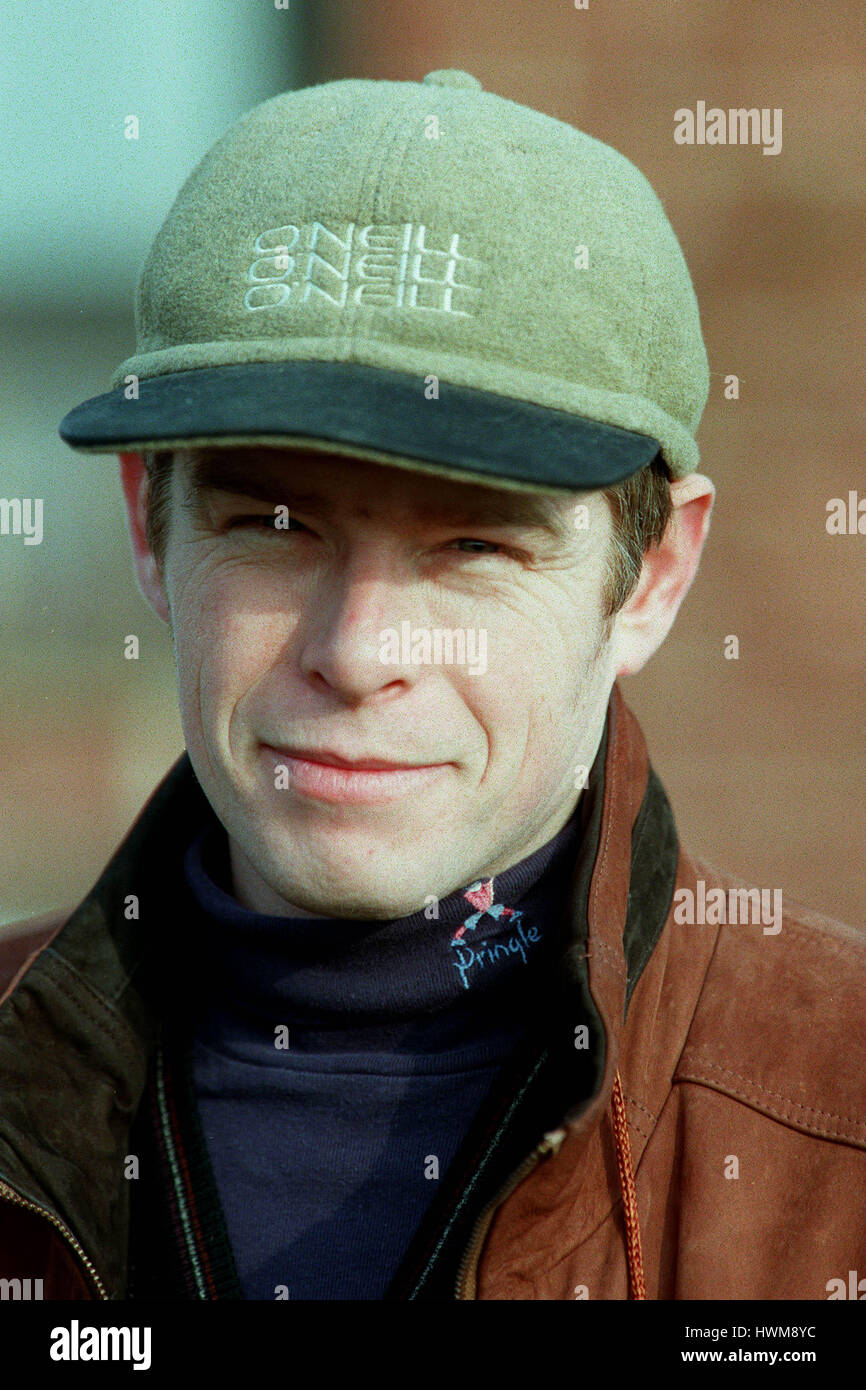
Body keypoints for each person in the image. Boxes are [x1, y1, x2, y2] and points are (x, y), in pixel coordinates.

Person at [1, 68, 863, 1303]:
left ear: (652, 574)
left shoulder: (834, 1124)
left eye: (474, 548)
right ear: (150, 528)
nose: (356, 652)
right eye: (276, 525)